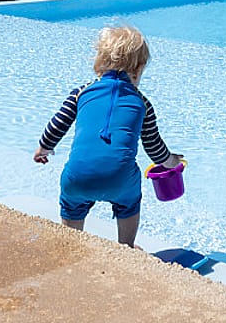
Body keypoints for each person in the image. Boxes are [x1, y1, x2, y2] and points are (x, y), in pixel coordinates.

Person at [33, 25, 182, 247]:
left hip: (77, 178)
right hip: (119, 180)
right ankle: (126, 246)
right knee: (130, 202)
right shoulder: (143, 103)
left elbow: (56, 126)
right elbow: (154, 148)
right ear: (139, 68)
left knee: (72, 202)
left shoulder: (80, 93)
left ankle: (72, 243)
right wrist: (172, 162)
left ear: (99, 62)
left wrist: (43, 149)